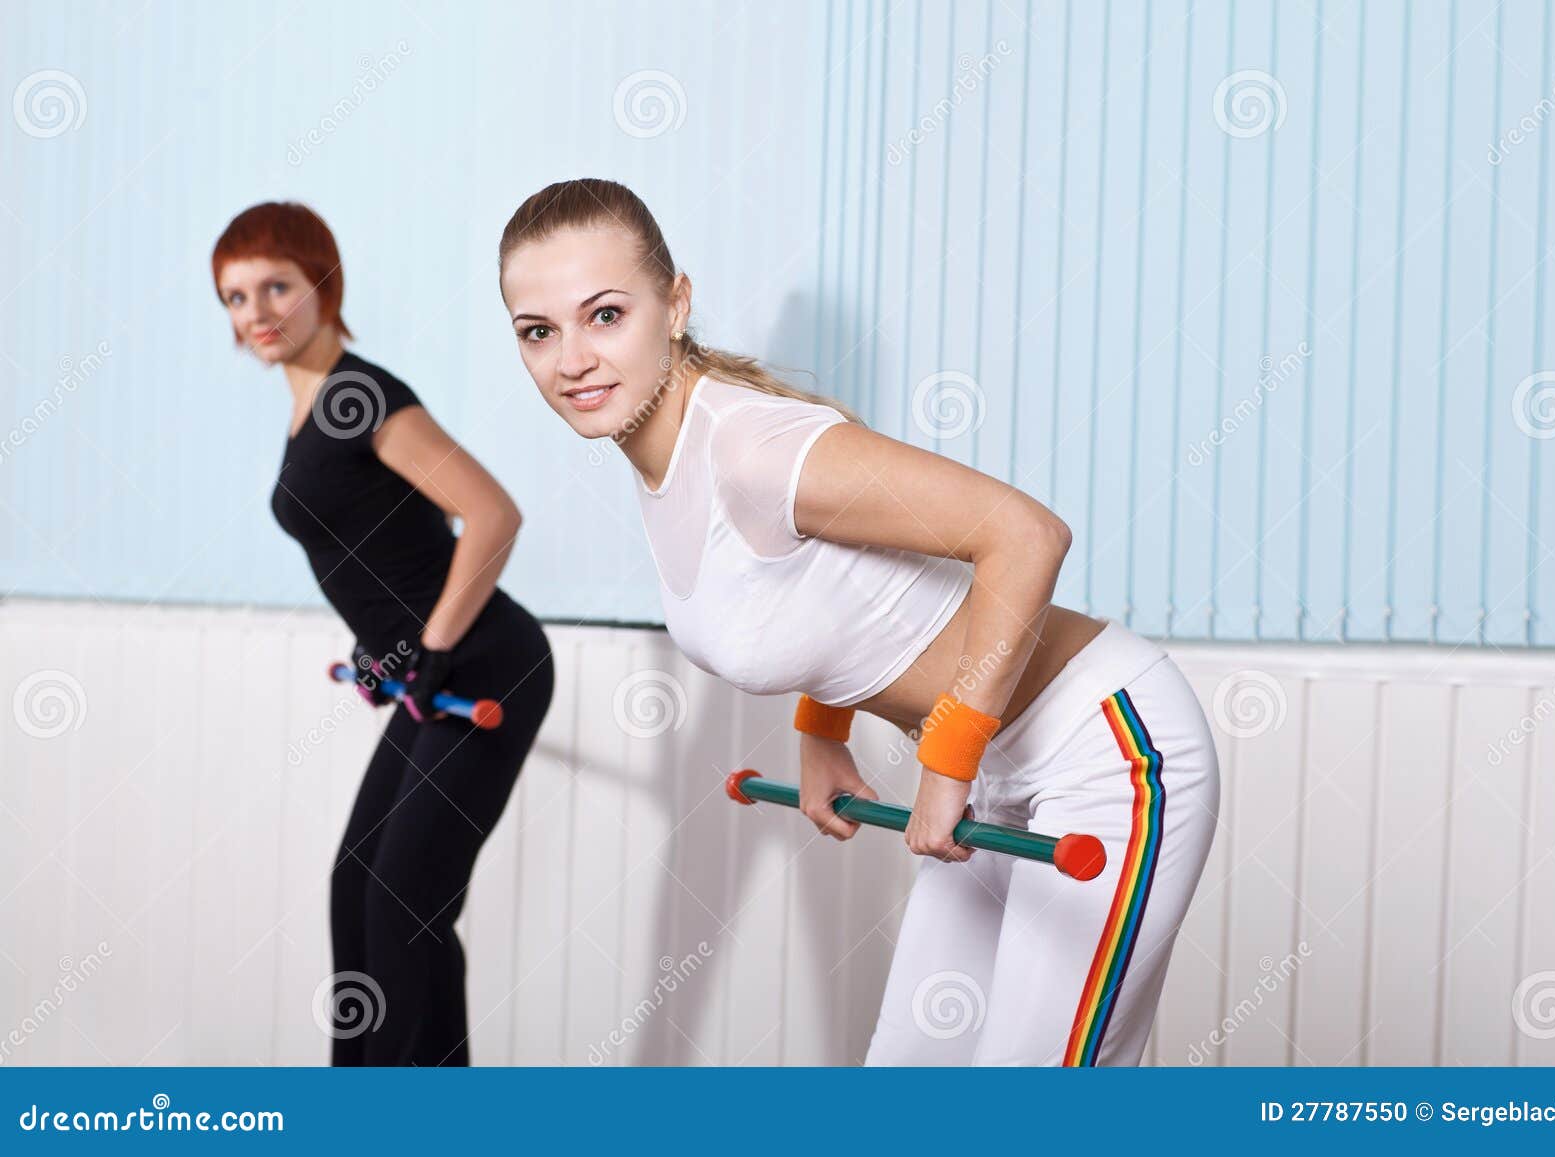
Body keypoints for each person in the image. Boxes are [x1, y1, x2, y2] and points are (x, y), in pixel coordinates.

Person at [496, 177, 1219, 1066]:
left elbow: (1026, 536)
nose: (572, 359)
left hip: (1109, 747)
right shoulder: (669, 458)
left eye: (604, 315)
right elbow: (822, 588)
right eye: (539, 331)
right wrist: (821, 729)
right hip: (998, 766)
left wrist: (947, 756)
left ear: (674, 304)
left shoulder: (750, 447)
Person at [212, 202, 555, 1065]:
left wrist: (431, 646)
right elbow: (386, 555)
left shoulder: (361, 397)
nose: (255, 312)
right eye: (235, 295)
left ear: (323, 286)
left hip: (486, 663)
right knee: (360, 885)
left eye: (276, 286)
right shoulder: (309, 411)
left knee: (404, 903)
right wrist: (387, 652)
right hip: (433, 670)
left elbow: (490, 514)